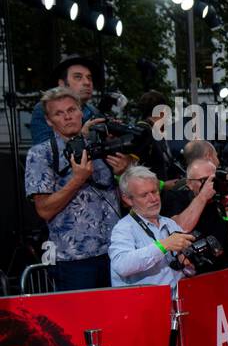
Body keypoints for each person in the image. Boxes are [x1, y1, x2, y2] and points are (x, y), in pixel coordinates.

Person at [24, 87, 132, 290]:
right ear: (49, 121)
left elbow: (124, 198)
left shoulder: (101, 146)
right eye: (59, 113)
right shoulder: (41, 154)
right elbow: (44, 210)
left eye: (72, 110)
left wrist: (123, 172)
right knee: (83, 321)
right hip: (74, 260)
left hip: (117, 252)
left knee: (119, 319)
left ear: (81, 112)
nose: (67, 117)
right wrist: (77, 180)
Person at [109, 166, 196, 288]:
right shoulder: (123, 228)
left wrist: (186, 261)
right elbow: (122, 265)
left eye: (154, 191)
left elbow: (185, 264)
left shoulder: (170, 224)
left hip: (177, 299)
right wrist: (163, 246)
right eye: (144, 195)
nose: (153, 199)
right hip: (143, 303)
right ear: (128, 199)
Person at [28, 56, 101, 150]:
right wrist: (82, 137)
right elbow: (44, 153)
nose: (87, 82)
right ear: (62, 84)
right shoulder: (45, 108)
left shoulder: (94, 111)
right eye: (78, 77)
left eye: (89, 78)